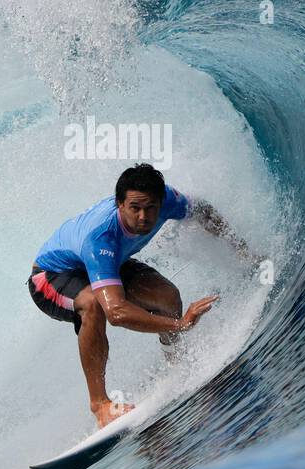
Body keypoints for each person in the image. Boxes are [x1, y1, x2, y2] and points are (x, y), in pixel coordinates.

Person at [27, 163, 260, 428]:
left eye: (150, 208)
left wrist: (245, 253)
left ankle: (178, 364)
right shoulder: (100, 238)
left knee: (168, 297)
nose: (143, 217)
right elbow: (117, 313)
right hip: (51, 276)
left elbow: (203, 212)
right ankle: (100, 405)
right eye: (134, 208)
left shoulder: (169, 200)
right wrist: (181, 324)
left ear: (161, 203)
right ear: (119, 204)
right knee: (93, 304)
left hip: (108, 264)